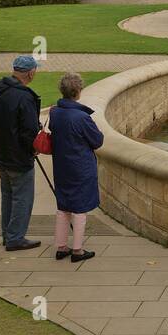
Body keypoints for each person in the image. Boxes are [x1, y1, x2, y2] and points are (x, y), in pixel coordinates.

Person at [0, 56, 43, 251]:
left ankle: (8, 235)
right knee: (22, 197)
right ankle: (15, 238)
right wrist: (33, 149)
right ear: (31, 73)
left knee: (8, 194)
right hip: (18, 157)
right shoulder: (25, 97)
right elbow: (29, 131)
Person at [48, 73, 104, 263]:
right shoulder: (81, 117)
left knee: (63, 205)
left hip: (61, 165)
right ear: (78, 91)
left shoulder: (55, 113)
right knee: (80, 207)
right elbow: (97, 141)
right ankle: (78, 250)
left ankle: (61, 247)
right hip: (80, 167)